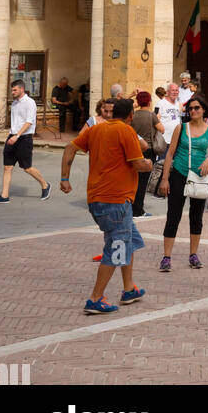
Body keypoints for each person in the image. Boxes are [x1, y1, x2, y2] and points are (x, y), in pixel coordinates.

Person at [60, 97, 152, 313]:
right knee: (116, 249)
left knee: (130, 240)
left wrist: (65, 178)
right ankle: (95, 298)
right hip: (116, 201)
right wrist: (148, 164)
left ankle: (129, 289)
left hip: (99, 199)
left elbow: (69, 149)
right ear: (130, 115)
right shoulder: (126, 131)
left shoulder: (96, 129)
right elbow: (138, 163)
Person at [158, 93, 208, 271]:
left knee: (196, 217)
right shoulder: (181, 128)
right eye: (190, 108)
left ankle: (193, 254)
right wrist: (164, 179)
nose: (193, 111)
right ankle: (166, 256)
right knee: (173, 216)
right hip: (179, 174)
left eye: (197, 108)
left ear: (203, 110)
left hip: (199, 177)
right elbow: (170, 153)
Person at [0, 79, 51, 203]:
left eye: (15, 90)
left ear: (22, 89)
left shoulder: (30, 103)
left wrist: (17, 135)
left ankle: (45, 185)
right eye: (12, 90)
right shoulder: (14, 103)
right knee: (7, 166)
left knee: (27, 167)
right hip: (12, 136)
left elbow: (29, 121)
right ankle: (4, 195)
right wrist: (12, 134)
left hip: (24, 138)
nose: (13, 92)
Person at [131, 90, 162, 218]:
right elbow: (162, 129)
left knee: (133, 179)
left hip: (134, 149)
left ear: (138, 102)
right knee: (143, 181)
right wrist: (157, 119)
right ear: (149, 102)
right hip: (148, 150)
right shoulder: (151, 116)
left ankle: (130, 206)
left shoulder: (132, 115)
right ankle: (138, 210)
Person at [157, 81, 183, 146]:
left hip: (177, 140)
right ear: (167, 92)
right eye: (173, 90)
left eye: (177, 90)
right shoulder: (160, 103)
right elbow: (156, 119)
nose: (175, 92)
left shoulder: (179, 104)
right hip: (165, 141)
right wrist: (162, 131)